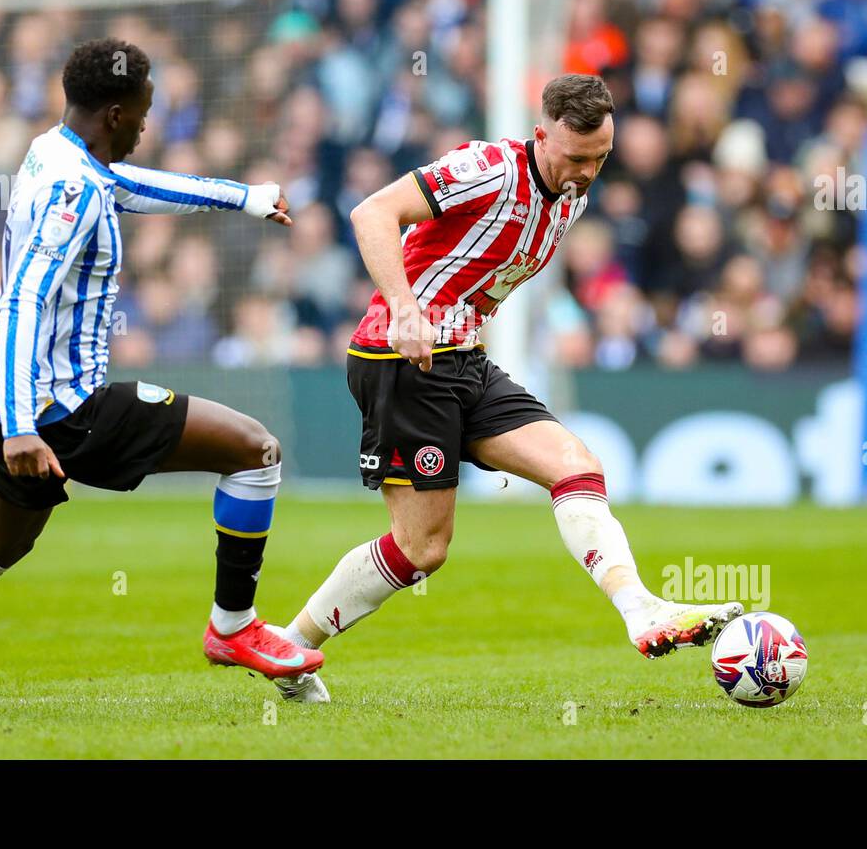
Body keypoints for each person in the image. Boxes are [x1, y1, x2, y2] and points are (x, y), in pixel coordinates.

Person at [0, 38, 322, 715]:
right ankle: (234, 627)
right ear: (119, 114)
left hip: (2, 398)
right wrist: (25, 429)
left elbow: (131, 186)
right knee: (255, 451)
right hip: (62, 411)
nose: (150, 124)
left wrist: (243, 197)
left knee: (0, 545)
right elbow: (23, 300)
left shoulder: (56, 150)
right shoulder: (74, 188)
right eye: (146, 111)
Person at [274, 74, 742, 703]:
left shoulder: (572, 193)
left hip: (463, 359)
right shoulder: (486, 167)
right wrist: (405, 308)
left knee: (577, 466)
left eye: (600, 157)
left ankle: (640, 609)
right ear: (541, 134)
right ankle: (290, 651)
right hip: (402, 357)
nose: (586, 172)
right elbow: (373, 211)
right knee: (422, 549)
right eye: (575, 157)